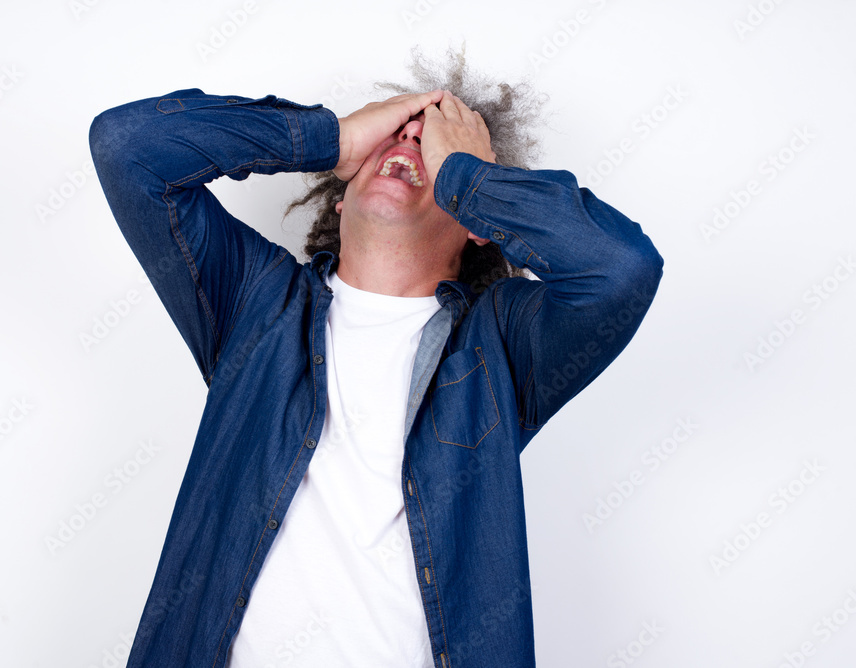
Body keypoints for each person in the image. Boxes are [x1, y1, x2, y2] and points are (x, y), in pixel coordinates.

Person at [89, 47, 663, 668]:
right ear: (340, 196)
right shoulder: (252, 301)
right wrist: (327, 138)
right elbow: (128, 147)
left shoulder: (503, 345)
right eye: (399, 130)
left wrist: (471, 178)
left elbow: (622, 269)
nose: (412, 137)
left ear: (475, 223)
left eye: (435, 144)